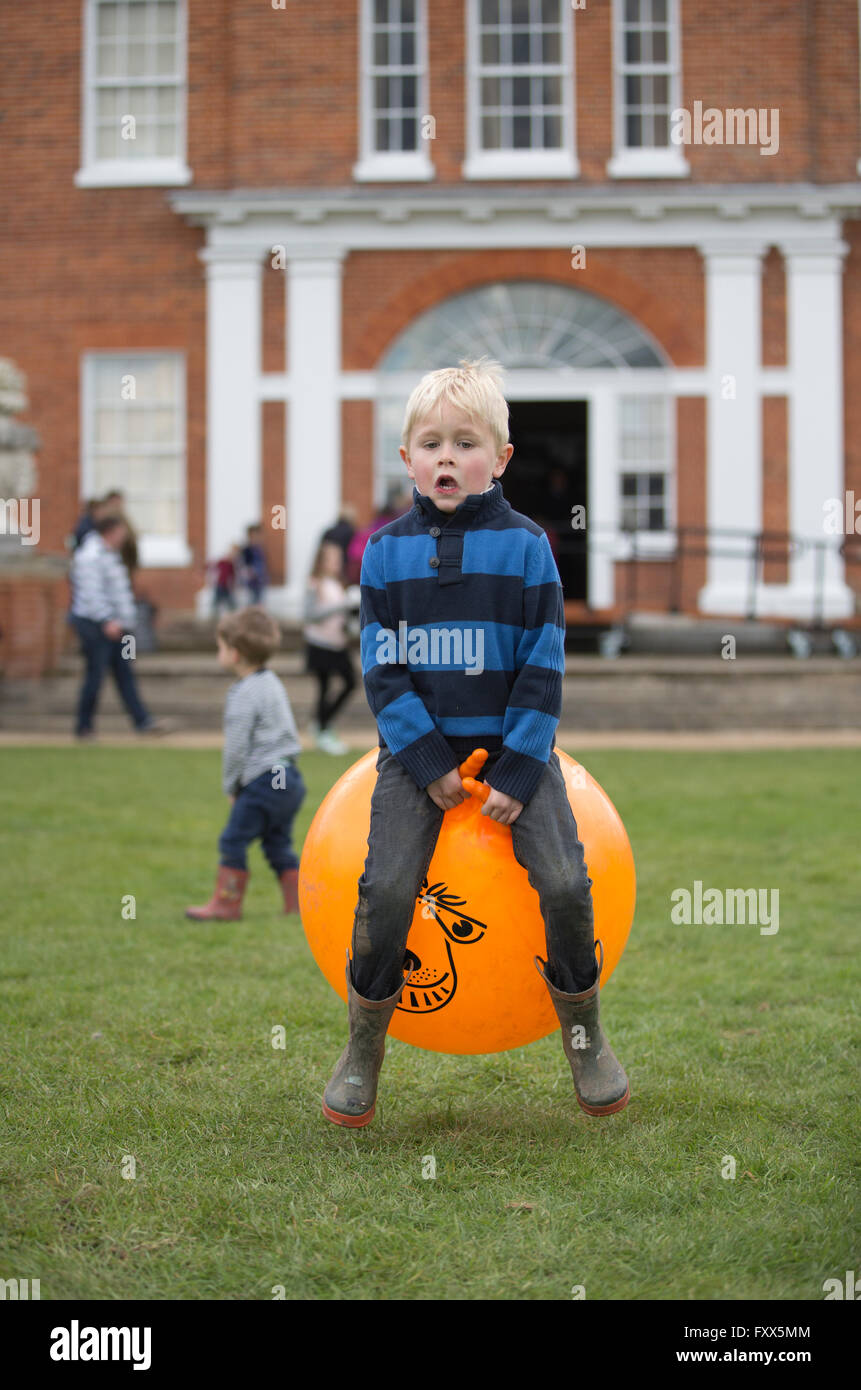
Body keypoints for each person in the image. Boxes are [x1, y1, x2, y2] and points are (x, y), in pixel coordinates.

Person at [322, 358, 630, 1128]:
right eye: (430, 444)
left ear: (499, 459)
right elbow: (382, 667)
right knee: (387, 888)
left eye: (465, 443)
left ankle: (583, 1030)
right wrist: (426, 762)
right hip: (414, 757)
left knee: (564, 881)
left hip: (513, 754)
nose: (446, 458)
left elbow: (542, 664)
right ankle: (365, 1042)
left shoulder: (528, 548)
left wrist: (521, 769)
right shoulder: (384, 552)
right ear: (407, 460)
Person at [186, 607, 306, 921]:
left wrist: (232, 785)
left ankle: (226, 904)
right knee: (277, 842)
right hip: (288, 778)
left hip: (263, 780)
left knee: (233, 839)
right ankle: (298, 903)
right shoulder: (272, 683)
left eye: (220, 647)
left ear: (235, 654)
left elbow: (237, 748)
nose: (219, 653)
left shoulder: (243, 693)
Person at [68, 514, 165, 738]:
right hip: (98, 627)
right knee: (95, 675)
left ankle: (142, 721)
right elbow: (91, 594)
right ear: (110, 531)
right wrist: (106, 620)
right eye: (122, 532)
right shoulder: (90, 555)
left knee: (126, 673)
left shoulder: (112, 555)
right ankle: (84, 726)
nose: (124, 537)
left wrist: (125, 621)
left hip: (121, 629)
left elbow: (119, 592)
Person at [303, 539, 359, 754]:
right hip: (319, 645)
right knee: (325, 687)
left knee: (349, 683)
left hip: (338, 644)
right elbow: (310, 615)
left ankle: (322, 725)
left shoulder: (338, 584)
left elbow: (342, 617)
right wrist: (341, 606)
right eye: (332, 559)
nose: (337, 562)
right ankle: (323, 729)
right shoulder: (314, 583)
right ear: (321, 561)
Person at [240, 524, 268, 606]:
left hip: (260, 580)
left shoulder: (260, 549)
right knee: (251, 601)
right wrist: (250, 572)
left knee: (260, 601)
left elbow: (263, 564)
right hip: (251, 581)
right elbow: (244, 565)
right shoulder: (247, 550)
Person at [210, 546, 239, 616]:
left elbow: (233, 576)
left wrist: (233, 585)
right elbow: (214, 569)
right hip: (220, 584)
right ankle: (214, 614)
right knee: (216, 601)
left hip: (226, 586)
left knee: (230, 601)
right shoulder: (222, 562)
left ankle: (233, 614)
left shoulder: (231, 565)